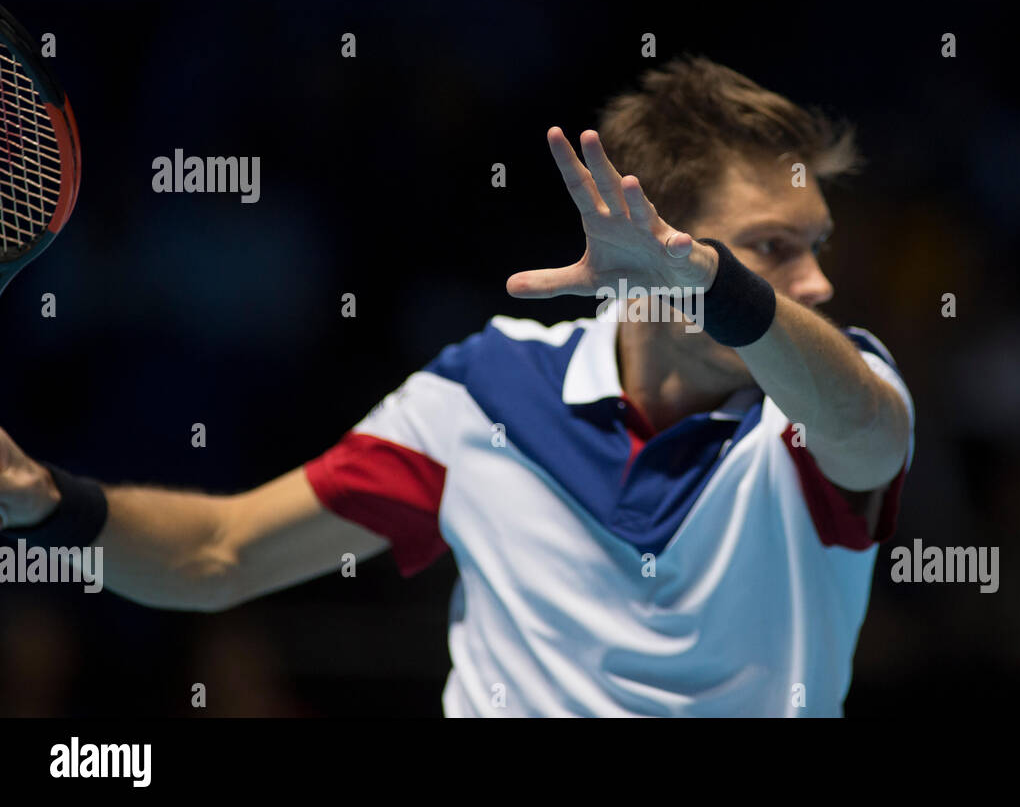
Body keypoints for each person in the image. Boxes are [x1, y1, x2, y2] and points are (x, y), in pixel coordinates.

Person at [0, 56, 915, 717]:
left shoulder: (830, 394)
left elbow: (869, 434)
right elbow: (220, 553)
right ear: (648, 234)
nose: (816, 284)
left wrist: (720, 283)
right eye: (770, 248)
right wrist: (46, 504)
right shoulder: (488, 395)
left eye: (815, 247)